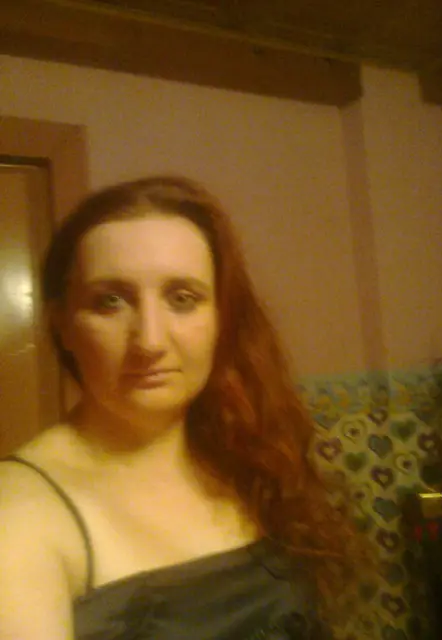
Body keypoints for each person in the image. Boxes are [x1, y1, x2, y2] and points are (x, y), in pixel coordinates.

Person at [0, 176, 362, 639]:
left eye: (183, 299)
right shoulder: (20, 517)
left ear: (221, 319)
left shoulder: (242, 454)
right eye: (110, 301)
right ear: (63, 326)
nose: (150, 341)